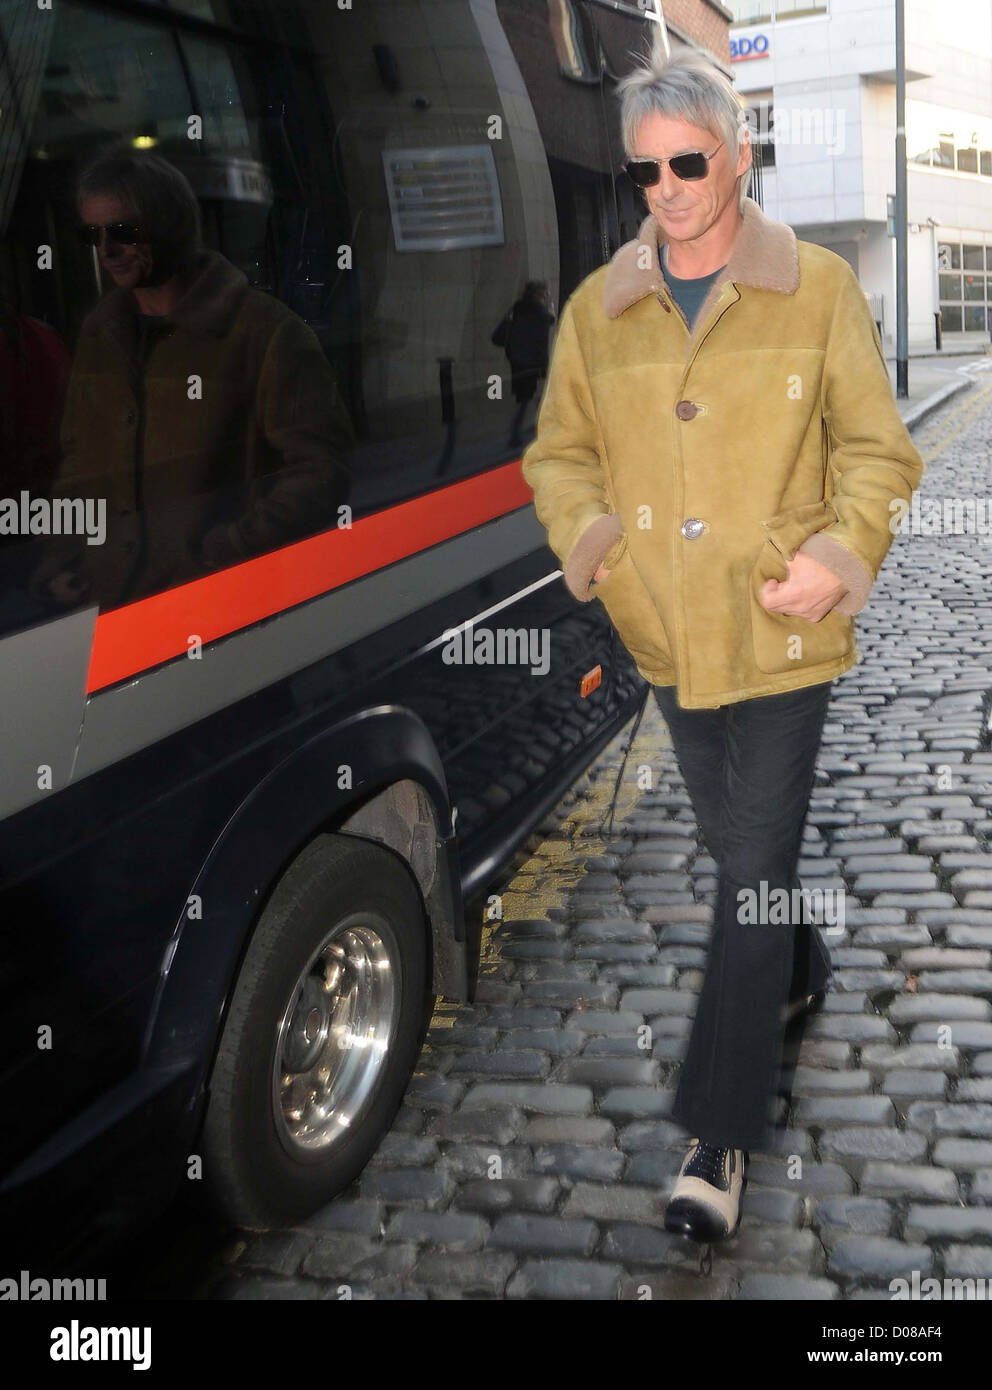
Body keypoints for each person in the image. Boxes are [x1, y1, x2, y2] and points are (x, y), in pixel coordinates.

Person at [522, 52, 925, 1244]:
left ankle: (718, 1130)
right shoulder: (602, 309)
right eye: (645, 169)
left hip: (786, 634)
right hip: (668, 641)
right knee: (746, 853)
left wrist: (840, 556)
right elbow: (558, 455)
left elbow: (877, 452)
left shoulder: (813, 287)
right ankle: (796, 964)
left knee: (746, 870)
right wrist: (602, 552)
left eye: (687, 162)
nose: (666, 188)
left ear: (736, 154)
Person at [36, 145, 353, 612]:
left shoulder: (263, 331)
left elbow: (322, 470)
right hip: (113, 611)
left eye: (123, 232)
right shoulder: (101, 334)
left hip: (221, 614)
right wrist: (60, 564)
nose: (105, 251)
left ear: (169, 224)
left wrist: (228, 547)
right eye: (93, 234)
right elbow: (80, 465)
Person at [493, 281, 555, 448]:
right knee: (529, 398)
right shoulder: (539, 311)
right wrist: (550, 302)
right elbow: (551, 319)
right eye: (545, 293)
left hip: (518, 362)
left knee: (526, 398)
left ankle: (531, 429)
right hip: (532, 363)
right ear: (539, 294)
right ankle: (516, 433)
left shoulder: (518, 308)